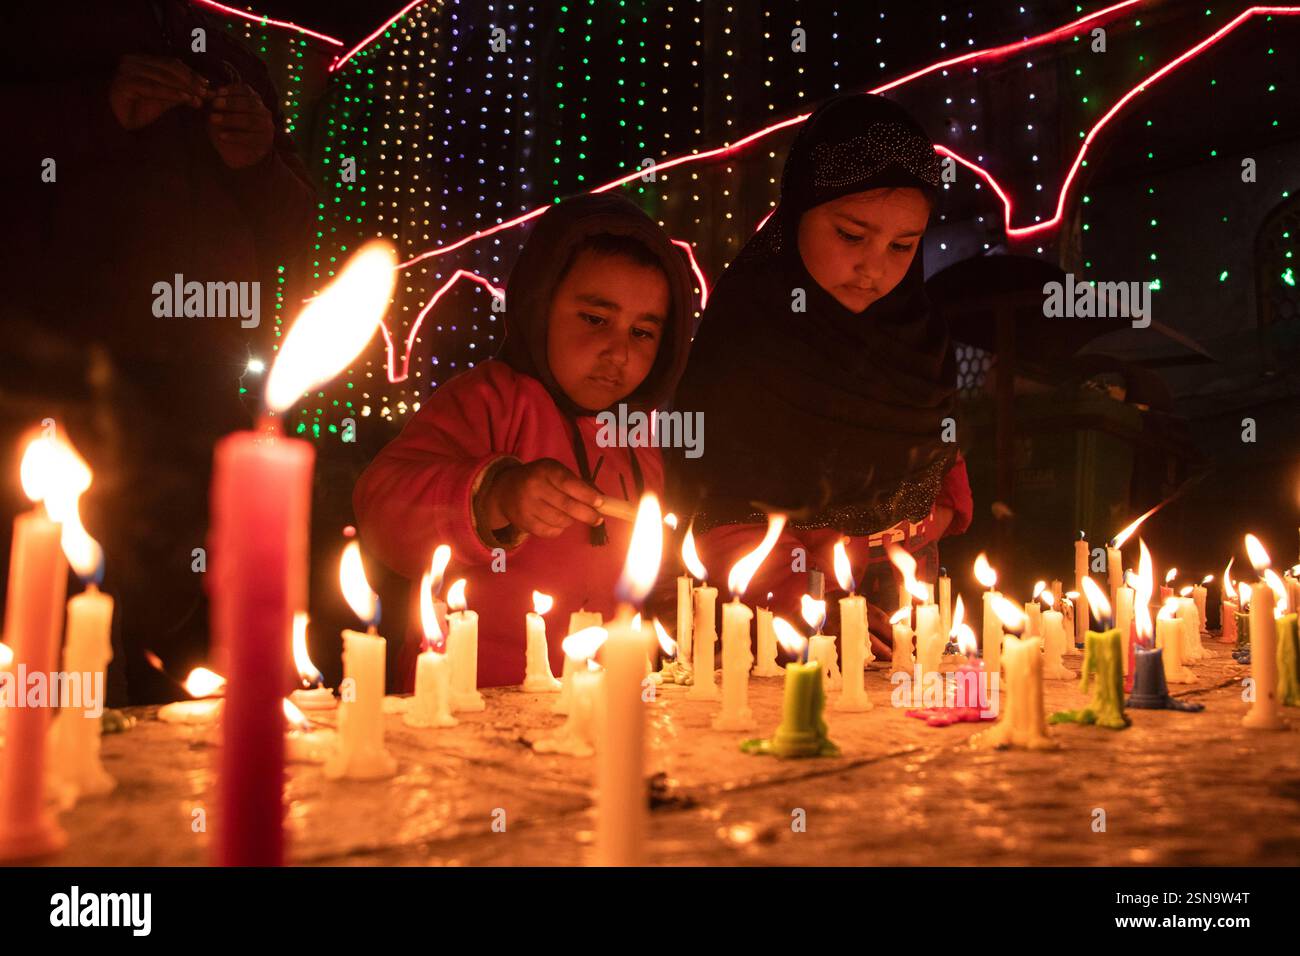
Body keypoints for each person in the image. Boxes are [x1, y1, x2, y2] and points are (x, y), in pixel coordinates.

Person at [0, 2, 317, 703]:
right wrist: (96, 109)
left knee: (176, 619)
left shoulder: (233, 59)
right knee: (44, 612)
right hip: (55, 375)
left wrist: (258, 160)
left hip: (201, 382)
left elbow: (294, 224)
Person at [666, 93, 972, 657]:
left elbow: (939, 436)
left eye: (903, 246)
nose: (873, 266)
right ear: (798, 208)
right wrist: (805, 600)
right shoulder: (749, 335)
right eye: (851, 235)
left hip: (904, 614)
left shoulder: (918, 334)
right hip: (778, 636)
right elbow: (718, 505)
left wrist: (943, 501)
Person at [353, 194, 695, 688]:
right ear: (540, 304)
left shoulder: (638, 437)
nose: (618, 351)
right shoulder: (489, 401)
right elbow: (382, 510)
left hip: (594, 707)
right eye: (596, 319)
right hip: (468, 702)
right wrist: (495, 495)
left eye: (642, 332)